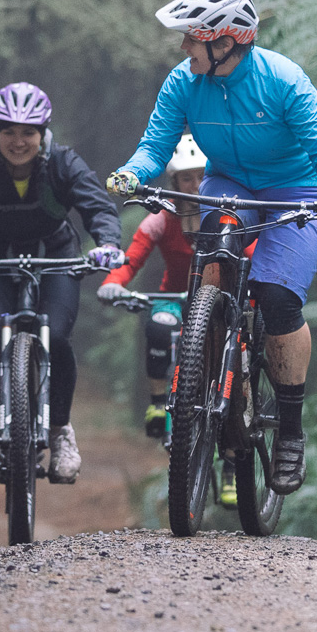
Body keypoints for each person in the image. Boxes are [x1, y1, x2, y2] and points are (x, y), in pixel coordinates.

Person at [106, 0, 317, 495]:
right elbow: (154, 147)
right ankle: (212, 373)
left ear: (224, 42)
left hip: (300, 191)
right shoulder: (183, 82)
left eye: (190, 39)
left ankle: (289, 430)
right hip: (230, 185)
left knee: (278, 298)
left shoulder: (283, 80)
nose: (182, 50)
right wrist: (132, 174)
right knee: (215, 267)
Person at [0, 83, 123, 484]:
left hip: (55, 258)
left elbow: (98, 206)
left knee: (59, 338)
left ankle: (61, 432)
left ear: (43, 132)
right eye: (8, 131)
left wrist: (108, 243)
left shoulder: (63, 162)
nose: (18, 141)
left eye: (28, 132)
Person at [96, 132, 209, 439]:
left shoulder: (226, 215)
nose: (196, 186)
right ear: (175, 183)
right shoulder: (162, 217)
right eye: (187, 179)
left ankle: (228, 469)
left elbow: (252, 256)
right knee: (159, 326)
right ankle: (158, 404)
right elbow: (131, 259)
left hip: (218, 301)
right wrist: (113, 283)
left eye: (202, 177)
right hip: (173, 296)